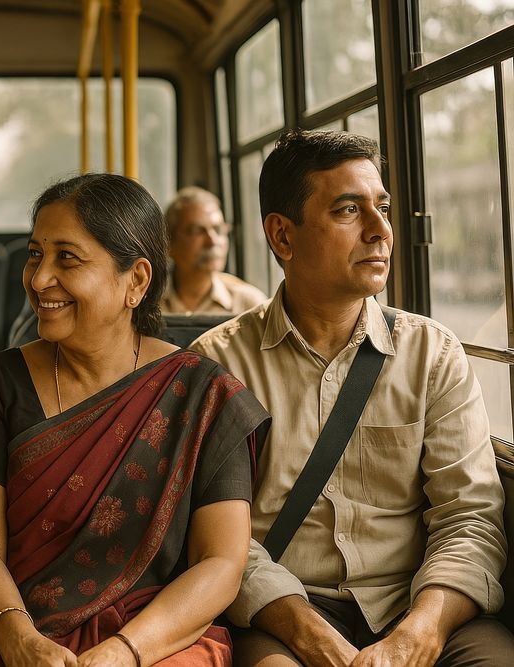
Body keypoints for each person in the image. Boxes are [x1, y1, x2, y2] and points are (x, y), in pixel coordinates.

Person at [190, 129, 514, 666]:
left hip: (415, 600)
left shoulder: (432, 354)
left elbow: (469, 516)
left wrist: (421, 633)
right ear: (283, 236)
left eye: (382, 208)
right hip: (280, 612)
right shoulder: (217, 365)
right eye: (348, 210)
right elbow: (219, 539)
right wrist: (311, 637)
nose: (380, 230)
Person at [0, 173, 270, 667]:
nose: (38, 279)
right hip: (17, 629)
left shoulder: (201, 395)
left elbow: (222, 562)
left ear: (135, 281)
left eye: (67, 259)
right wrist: (19, 640)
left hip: (160, 637)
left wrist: (124, 652)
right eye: (35, 255)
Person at [161, 187, 267, 316]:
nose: (212, 241)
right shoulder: (147, 302)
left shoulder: (249, 305)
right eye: (197, 231)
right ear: (169, 243)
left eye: (218, 229)